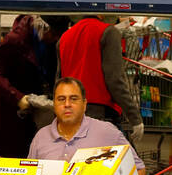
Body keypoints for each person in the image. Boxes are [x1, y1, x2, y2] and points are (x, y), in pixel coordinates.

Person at [57, 15, 143, 148]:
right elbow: (115, 80)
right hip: (99, 114)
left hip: (71, 115)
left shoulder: (64, 38)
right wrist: (135, 118)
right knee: (125, 163)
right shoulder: (108, 32)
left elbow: (59, 82)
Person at [0, 14, 53, 159]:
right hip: (13, 109)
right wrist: (17, 97)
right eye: (53, 34)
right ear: (43, 28)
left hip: (38, 109)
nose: (55, 39)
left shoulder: (50, 41)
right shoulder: (15, 40)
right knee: (13, 162)